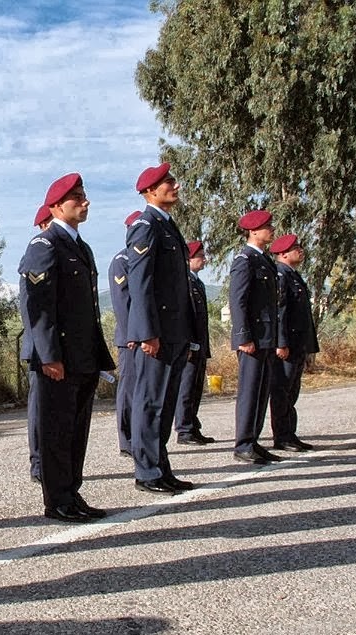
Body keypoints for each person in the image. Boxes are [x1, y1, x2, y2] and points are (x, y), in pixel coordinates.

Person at [19, 173, 115, 523]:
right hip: (57, 357)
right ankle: (56, 500)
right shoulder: (44, 245)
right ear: (56, 206)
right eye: (76, 197)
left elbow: (86, 310)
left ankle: (72, 493)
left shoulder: (81, 247)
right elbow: (38, 305)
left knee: (76, 431)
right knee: (56, 433)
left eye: (84, 196)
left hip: (82, 356)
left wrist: (99, 355)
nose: (84, 202)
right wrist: (49, 355)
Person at [126, 163, 196, 494]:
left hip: (176, 330)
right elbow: (140, 283)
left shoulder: (167, 226)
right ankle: (147, 471)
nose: (176, 185)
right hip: (158, 333)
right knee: (151, 402)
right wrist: (146, 332)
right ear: (150, 191)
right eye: (168, 182)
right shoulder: (145, 225)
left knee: (166, 403)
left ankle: (161, 466)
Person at [229, 209, 283, 465]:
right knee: (250, 391)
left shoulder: (264, 260)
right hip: (252, 338)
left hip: (266, 336)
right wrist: (243, 336)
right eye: (266, 226)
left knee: (262, 391)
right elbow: (238, 301)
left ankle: (254, 440)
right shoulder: (245, 259)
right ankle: (243, 443)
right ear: (253, 231)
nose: (271, 230)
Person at [268, 233, 319, 451]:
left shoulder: (294, 276)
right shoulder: (281, 275)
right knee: (282, 391)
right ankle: (282, 436)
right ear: (283, 254)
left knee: (292, 391)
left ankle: (290, 433)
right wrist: (281, 342)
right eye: (295, 248)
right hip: (286, 345)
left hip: (298, 343)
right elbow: (280, 312)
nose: (300, 250)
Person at [174, 240, 216, 445]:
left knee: (196, 386)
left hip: (200, 344)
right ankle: (184, 429)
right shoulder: (184, 282)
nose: (204, 259)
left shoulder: (196, 282)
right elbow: (184, 316)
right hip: (190, 345)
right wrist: (189, 344)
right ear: (188, 259)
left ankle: (192, 423)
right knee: (187, 387)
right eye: (200, 256)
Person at [109, 210, 142, 459]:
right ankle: (127, 439)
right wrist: (133, 333)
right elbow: (123, 302)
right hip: (130, 339)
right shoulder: (122, 260)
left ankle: (142, 437)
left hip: (148, 336)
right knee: (129, 389)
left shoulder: (143, 259)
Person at [25, 204, 54, 483]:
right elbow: (31, 306)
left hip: (51, 346)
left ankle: (50, 465)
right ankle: (39, 464)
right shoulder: (39, 249)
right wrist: (40, 347)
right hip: (40, 347)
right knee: (40, 409)